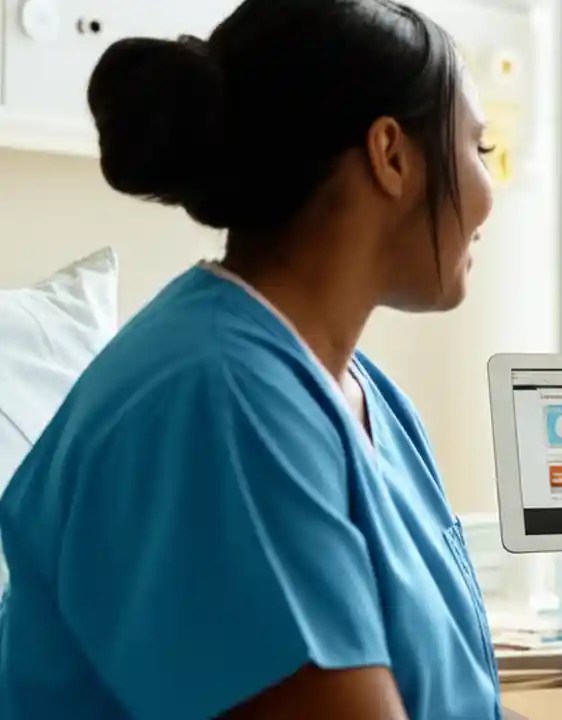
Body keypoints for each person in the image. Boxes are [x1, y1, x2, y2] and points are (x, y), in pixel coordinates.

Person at [0, 0, 503, 718]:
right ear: (391, 155)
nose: (488, 196)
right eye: (479, 150)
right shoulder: (216, 402)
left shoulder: (367, 398)